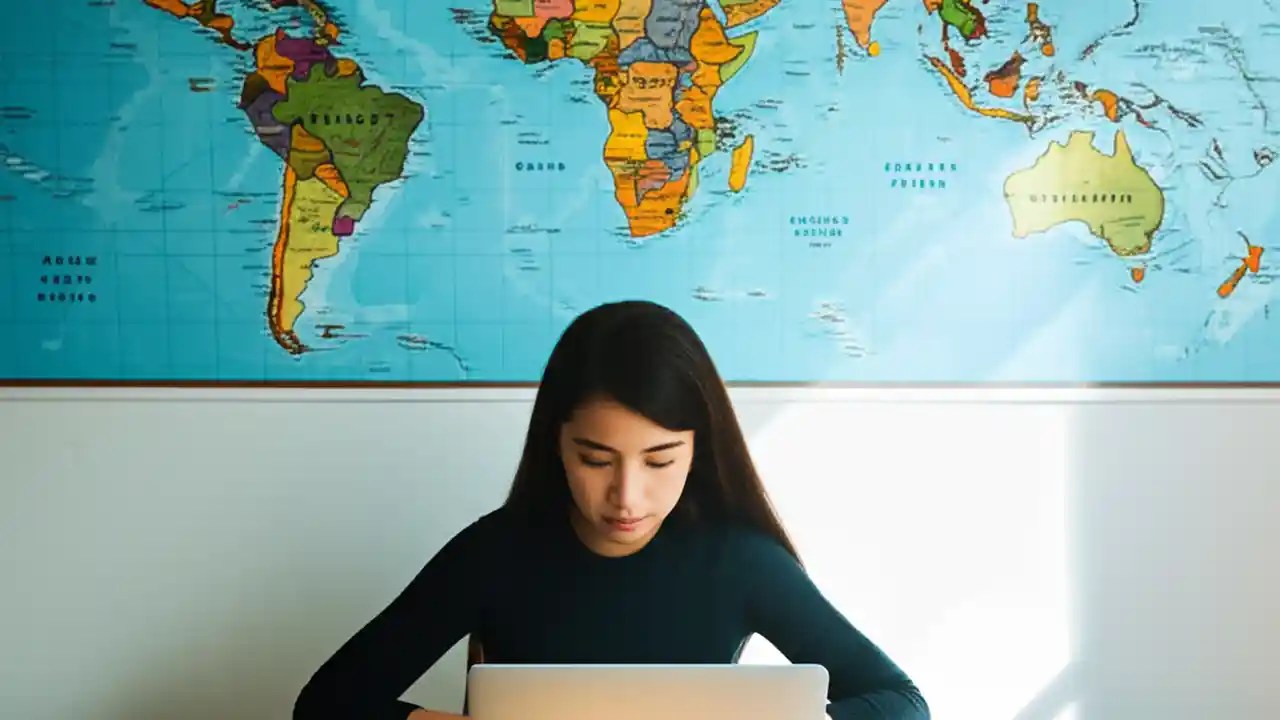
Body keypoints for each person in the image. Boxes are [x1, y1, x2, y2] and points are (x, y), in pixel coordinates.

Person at [292, 300, 930, 720]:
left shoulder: (739, 561)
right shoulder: (495, 554)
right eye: (597, 459)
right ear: (557, 444)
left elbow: (903, 704)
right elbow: (326, 703)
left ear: (699, 450)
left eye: (659, 462)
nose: (627, 497)